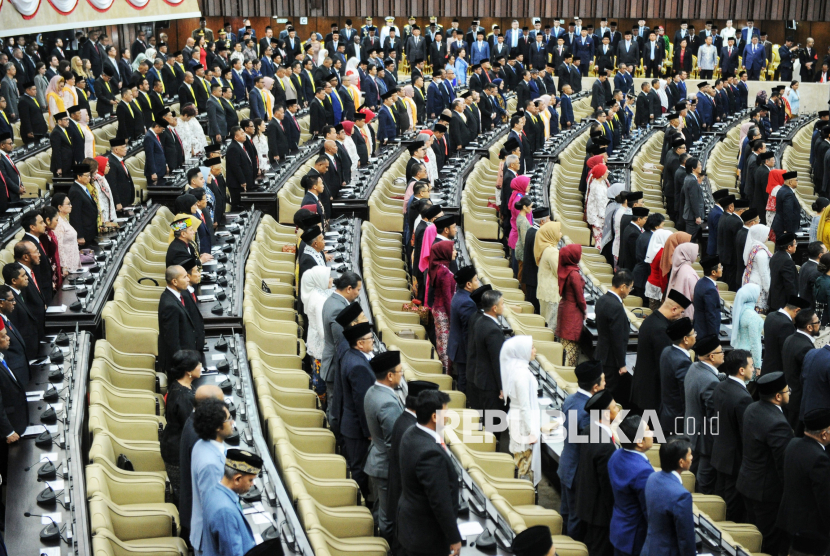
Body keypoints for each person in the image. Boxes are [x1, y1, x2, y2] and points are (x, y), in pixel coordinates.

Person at [397, 389, 461, 556]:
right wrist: (454, 537)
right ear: (434, 417)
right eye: (445, 412)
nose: (448, 416)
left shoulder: (410, 433)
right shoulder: (430, 454)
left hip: (410, 526)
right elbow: (439, 501)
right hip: (426, 537)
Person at [737, 371, 793, 555]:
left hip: (748, 484)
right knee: (769, 543)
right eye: (787, 391)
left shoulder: (752, 409)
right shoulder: (778, 423)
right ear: (778, 396)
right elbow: (783, 464)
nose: (789, 393)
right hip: (767, 495)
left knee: (754, 538)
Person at [557, 361, 604, 538]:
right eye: (603, 380)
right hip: (577, 472)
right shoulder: (589, 411)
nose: (605, 383)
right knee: (576, 518)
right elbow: (592, 446)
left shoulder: (570, 399)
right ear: (595, 387)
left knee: (566, 512)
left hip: (566, 465)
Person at [363, 350, 405, 542]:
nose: (401, 375)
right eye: (400, 371)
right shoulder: (388, 403)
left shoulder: (372, 391)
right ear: (390, 375)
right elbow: (393, 443)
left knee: (381, 507)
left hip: (376, 458)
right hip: (385, 467)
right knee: (388, 517)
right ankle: (386, 547)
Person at [575, 388, 620, 556]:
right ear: (606, 414)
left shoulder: (589, 429)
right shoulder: (605, 447)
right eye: (614, 407)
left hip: (587, 504)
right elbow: (607, 485)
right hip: (600, 513)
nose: (618, 409)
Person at [711, 349, 754, 522]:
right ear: (741, 370)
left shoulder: (720, 386)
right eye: (751, 366)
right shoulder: (743, 398)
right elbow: (745, 433)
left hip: (720, 454)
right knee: (731, 507)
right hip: (734, 461)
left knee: (720, 500)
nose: (754, 369)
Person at [777, 408, 830, 541]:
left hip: (788, 519)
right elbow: (824, 501)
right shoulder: (819, 459)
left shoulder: (793, 444)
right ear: (824, 434)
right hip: (810, 530)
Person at [189, 398, 233, 553]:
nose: (232, 422)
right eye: (228, 419)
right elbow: (215, 512)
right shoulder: (210, 465)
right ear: (217, 427)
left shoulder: (201, 444)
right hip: (210, 543)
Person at [320, 272, 362, 429]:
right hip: (335, 366)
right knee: (335, 409)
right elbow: (342, 344)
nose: (358, 294)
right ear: (349, 289)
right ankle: (333, 438)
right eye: (358, 290)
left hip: (333, 362)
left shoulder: (332, 300)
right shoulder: (338, 309)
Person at [608, 414, 654, 556]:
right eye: (648, 430)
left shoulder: (616, 455)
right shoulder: (643, 471)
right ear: (639, 442)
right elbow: (648, 509)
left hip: (619, 528)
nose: (652, 433)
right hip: (635, 536)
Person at [338, 321, 375, 498]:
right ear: (360, 343)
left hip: (351, 425)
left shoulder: (350, 355)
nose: (373, 341)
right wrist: (369, 431)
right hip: (357, 429)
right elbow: (362, 403)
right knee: (359, 469)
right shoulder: (358, 366)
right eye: (370, 338)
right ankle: (361, 502)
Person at [683, 334, 724, 494]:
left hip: (691, 434)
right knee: (704, 484)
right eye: (721, 352)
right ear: (712, 357)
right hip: (705, 442)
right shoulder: (711, 382)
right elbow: (714, 418)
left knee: (690, 477)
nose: (724, 354)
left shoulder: (693, 368)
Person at [641, 437, 696, 556]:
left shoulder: (652, 478)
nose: (692, 458)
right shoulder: (682, 496)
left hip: (649, 549)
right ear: (681, 462)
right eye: (689, 455)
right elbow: (686, 539)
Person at [160, 349, 201, 501]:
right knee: (186, 496)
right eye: (197, 364)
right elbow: (191, 428)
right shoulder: (183, 396)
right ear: (188, 371)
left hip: (176, 446)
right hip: (177, 454)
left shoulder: (181, 386)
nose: (201, 366)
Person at [503, 336, 543, 484]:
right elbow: (524, 406)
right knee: (523, 466)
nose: (535, 350)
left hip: (520, 420)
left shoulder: (519, 369)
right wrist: (532, 432)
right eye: (532, 348)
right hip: (521, 425)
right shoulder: (521, 375)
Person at [158, 264, 203, 373]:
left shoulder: (176, 296)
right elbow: (173, 341)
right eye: (184, 277)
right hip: (179, 366)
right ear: (174, 281)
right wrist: (184, 367)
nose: (188, 279)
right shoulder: (170, 305)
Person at [594, 270, 632, 398]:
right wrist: (622, 364)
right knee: (607, 396)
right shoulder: (616, 307)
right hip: (611, 360)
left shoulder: (602, 299)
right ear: (623, 287)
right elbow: (617, 339)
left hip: (601, 354)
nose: (629, 291)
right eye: (630, 288)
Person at [782, 309, 820, 433]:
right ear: (809, 327)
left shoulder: (790, 338)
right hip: (798, 402)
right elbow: (808, 377)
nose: (819, 324)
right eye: (817, 322)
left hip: (788, 396)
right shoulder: (806, 347)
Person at [472, 289, 508, 419]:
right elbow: (497, 361)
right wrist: (502, 387)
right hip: (491, 385)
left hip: (482, 379)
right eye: (502, 304)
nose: (504, 306)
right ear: (494, 308)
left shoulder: (480, 321)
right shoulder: (493, 330)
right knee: (494, 424)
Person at [658, 317, 697, 434]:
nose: (695, 335)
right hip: (678, 421)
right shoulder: (682, 362)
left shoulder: (666, 351)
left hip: (666, 415)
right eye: (693, 333)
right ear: (685, 339)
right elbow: (685, 394)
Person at [0, 316, 26, 485]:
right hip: (8, 430)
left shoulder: (2, 357)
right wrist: (8, 431)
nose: (8, 337)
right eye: (3, 336)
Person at [301, 265, 332, 402]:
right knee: (320, 378)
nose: (331, 279)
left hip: (313, 339)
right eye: (328, 277)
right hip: (320, 345)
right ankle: (321, 403)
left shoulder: (316, 293)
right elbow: (322, 331)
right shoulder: (319, 301)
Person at [447, 266, 479, 394]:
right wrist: (471, 354)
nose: (478, 282)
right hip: (463, 350)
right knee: (465, 380)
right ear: (468, 284)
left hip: (457, 346)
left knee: (462, 377)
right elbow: (468, 332)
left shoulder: (459, 295)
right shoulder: (467, 303)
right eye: (476, 280)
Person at [426, 241, 456, 371]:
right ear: (445, 252)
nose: (455, 252)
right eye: (452, 250)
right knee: (444, 343)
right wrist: (452, 317)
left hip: (438, 310)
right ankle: (445, 371)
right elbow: (447, 299)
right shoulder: (444, 272)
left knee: (442, 341)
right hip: (443, 311)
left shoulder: (439, 268)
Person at [3, 263, 40, 360]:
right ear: (14, 281)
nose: (27, 277)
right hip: (26, 352)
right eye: (23, 276)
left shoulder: (20, 291)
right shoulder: (9, 300)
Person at [764, 295, 808, 376]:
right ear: (797, 311)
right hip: (778, 374)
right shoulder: (787, 325)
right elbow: (788, 356)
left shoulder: (770, 316)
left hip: (767, 368)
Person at [743, 224, 772, 312]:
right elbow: (764, 273)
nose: (768, 237)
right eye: (766, 234)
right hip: (758, 283)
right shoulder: (761, 253)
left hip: (750, 280)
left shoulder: (753, 247)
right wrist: (768, 289)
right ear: (760, 235)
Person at [666, 243, 699, 319]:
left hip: (676, 312)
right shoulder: (689, 272)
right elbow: (696, 294)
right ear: (688, 254)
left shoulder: (678, 267)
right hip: (687, 314)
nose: (697, 256)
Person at [769, 233, 800, 313]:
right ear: (789, 247)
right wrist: (794, 303)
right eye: (795, 244)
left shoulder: (775, 256)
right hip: (783, 303)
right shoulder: (787, 261)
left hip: (774, 300)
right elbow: (789, 284)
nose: (796, 246)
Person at [693, 256, 723, 338]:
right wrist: (713, 337)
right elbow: (711, 315)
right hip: (705, 333)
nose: (722, 269)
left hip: (699, 328)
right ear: (713, 272)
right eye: (720, 267)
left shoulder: (700, 282)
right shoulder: (710, 290)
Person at [799, 241, 826, 306]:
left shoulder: (804, 265)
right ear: (820, 255)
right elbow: (818, 296)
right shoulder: (817, 271)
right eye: (827, 252)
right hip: (811, 308)